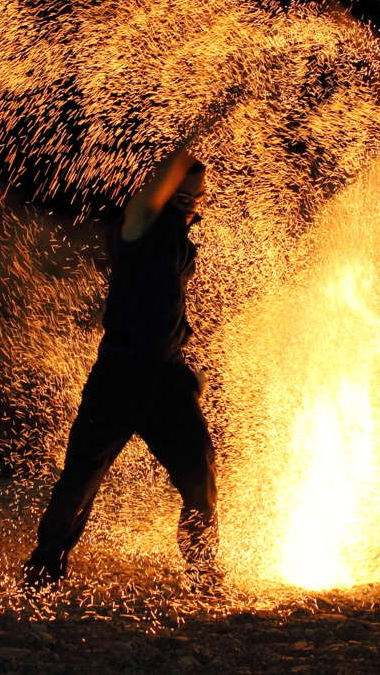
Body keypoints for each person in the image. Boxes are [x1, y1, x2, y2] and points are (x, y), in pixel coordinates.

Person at [24, 91, 244, 592]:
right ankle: (44, 570)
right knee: (81, 479)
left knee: (199, 475)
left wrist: (186, 362)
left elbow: (168, 309)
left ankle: (205, 573)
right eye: (187, 192)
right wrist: (213, 114)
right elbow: (164, 178)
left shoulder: (181, 238)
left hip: (166, 378)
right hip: (120, 375)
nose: (195, 200)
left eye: (198, 194)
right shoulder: (139, 224)